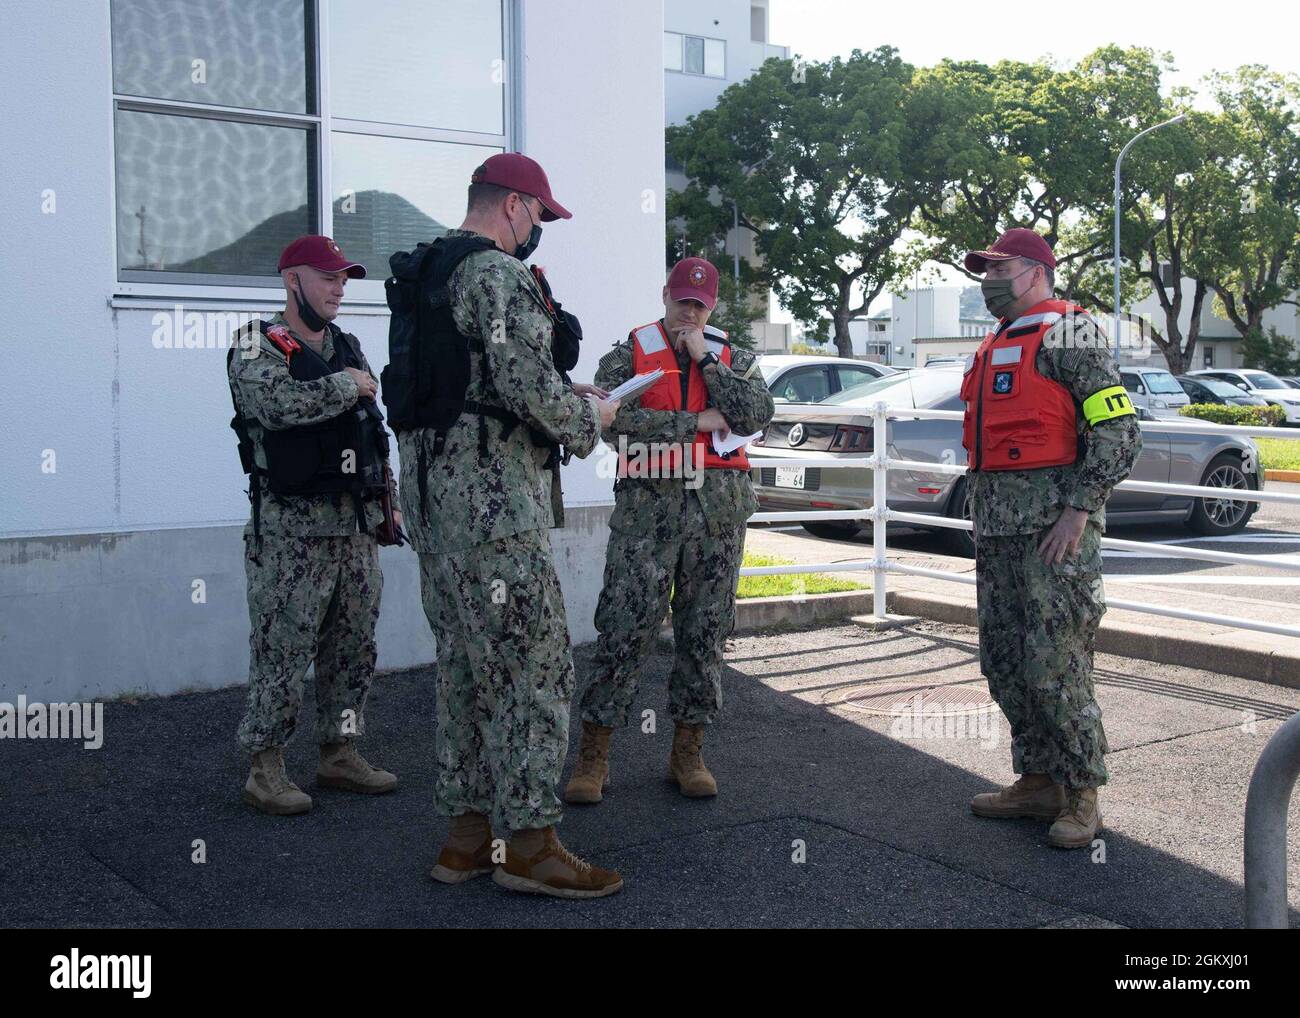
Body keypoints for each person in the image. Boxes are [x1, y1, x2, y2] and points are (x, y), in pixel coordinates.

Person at [391, 153, 624, 897]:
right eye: (540, 217)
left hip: (436, 511)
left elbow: (477, 382)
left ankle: (465, 840)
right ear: (516, 206)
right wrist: (593, 413)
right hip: (494, 514)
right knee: (534, 672)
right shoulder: (495, 274)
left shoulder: (428, 271)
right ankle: (530, 845)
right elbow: (531, 390)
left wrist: (557, 389)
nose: (539, 233)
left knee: (463, 673)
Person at [564, 257, 775, 804]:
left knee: (704, 637)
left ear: (713, 307)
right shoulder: (630, 353)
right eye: (683, 300)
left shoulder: (733, 357)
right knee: (623, 632)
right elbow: (608, 418)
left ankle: (688, 750)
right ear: (665, 295)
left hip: (716, 519)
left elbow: (755, 414)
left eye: (700, 305)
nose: (690, 311)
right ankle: (595, 754)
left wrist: (709, 365)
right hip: (646, 521)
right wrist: (695, 423)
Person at [960, 228, 1141, 849]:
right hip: (1000, 534)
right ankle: (1038, 780)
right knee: (1005, 661)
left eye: (999, 266)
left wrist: (1078, 511)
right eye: (984, 269)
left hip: (1052, 537)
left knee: (1055, 665)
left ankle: (1083, 791)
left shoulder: (1069, 332)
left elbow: (1120, 432)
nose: (988, 279)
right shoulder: (999, 340)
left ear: (1036, 271)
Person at [227, 235, 399, 815]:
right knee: (283, 648)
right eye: (327, 277)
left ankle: (339, 752)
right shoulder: (257, 343)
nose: (338, 287)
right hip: (290, 536)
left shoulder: (348, 344)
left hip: (353, 530)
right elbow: (273, 407)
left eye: (344, 278)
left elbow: (374, 436)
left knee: (353, 647)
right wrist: (343, 385)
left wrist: (386, 508)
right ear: (291, 280)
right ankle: (265, 768)